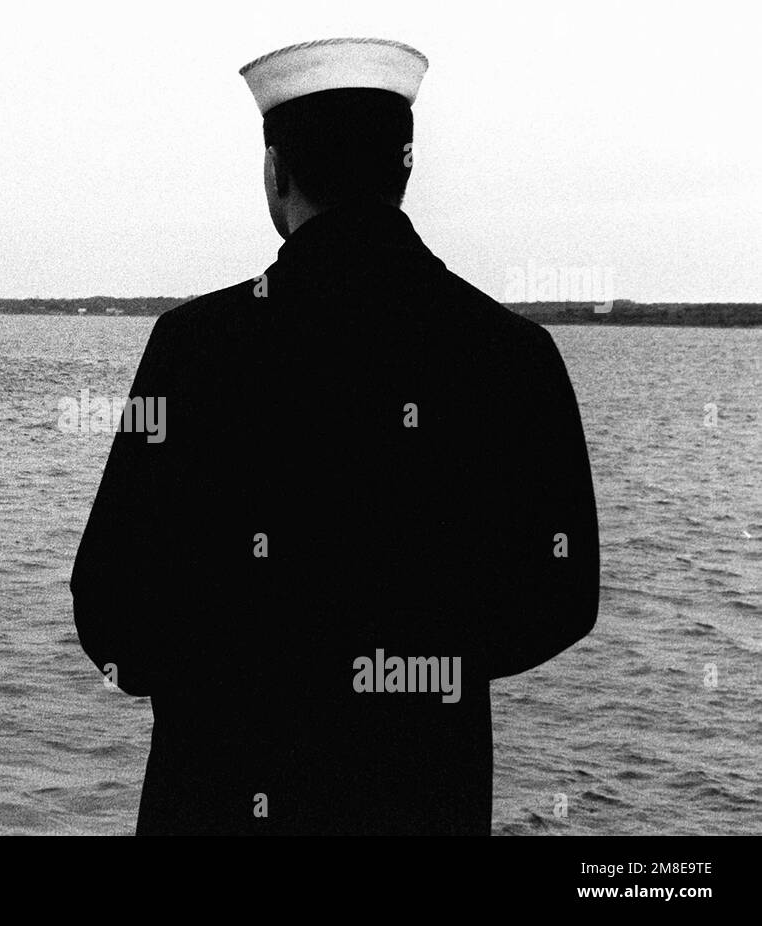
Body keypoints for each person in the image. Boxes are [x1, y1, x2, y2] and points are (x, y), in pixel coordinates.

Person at [69, 38, 600, 835]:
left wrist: (233, 673)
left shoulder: (196, 345)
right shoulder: (510, 353)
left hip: (214, 801)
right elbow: (560, 599)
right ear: (405, 169)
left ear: (276, 170)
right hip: (425, 803)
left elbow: (112, 612)